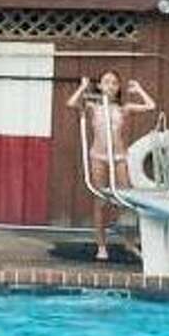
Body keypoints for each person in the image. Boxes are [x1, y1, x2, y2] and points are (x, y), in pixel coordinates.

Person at [66, 69, 156, 261]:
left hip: (118, 156)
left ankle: (130, 242)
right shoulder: (93, 107)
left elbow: (151, 106)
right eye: (106, 82)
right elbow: (71, 103)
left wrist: (139, 90)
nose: (110, 86)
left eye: (114, 83)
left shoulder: (123, 108)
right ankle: (101, 246)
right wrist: (83, 87)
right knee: (100, 201)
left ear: (118, 88)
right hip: (98, 156)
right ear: (100, 86)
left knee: (127, 200)